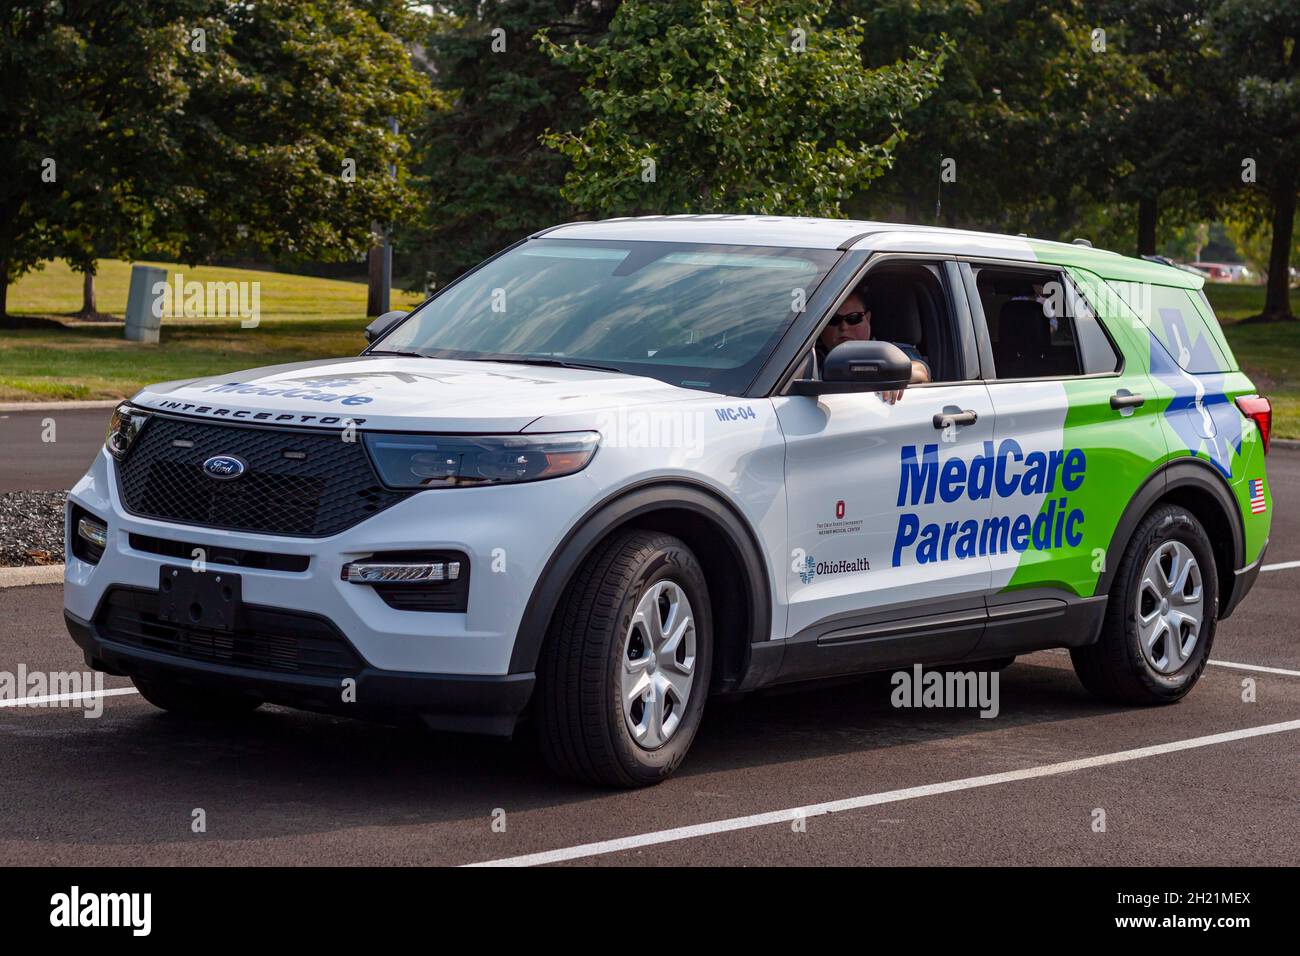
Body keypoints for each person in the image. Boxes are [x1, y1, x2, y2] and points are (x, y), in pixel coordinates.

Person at [816, 287, 930, 404]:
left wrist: (891, 375)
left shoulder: (892, 353)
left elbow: (920, 371)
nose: (844, 327)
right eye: (833, 320)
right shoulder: (806, 357)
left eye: (854, 318)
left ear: (868, 318)